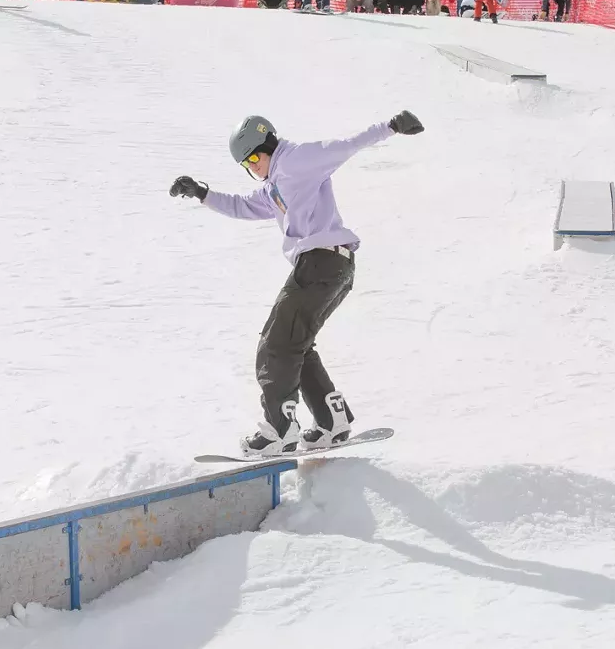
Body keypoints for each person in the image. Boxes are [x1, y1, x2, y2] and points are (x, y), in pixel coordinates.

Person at [168, 110, 426, 455]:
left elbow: (346, 146)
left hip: (320, 262)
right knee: (295, 345)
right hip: (334, 266)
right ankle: (331, 422)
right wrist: (203, 193)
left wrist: (392, 126)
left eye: (254, 158)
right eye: (247, 165)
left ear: (268, 145)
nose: (253, 167)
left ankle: (279, 430)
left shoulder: (299, 160)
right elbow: (244, 206)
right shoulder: (274, 184)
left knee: (275, 345)